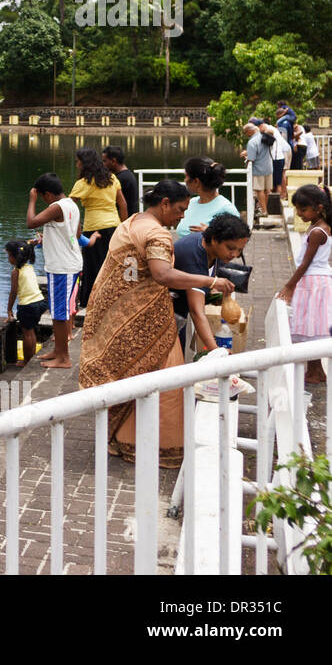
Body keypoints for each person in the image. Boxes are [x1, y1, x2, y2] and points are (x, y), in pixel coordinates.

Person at [78, 180, 235, 467]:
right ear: (164, 203)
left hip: (115, 314)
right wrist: (210, 280)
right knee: (166, 383)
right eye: (179, 209)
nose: (182, 217)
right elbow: (163, 275)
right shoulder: (157, 235)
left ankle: (117, 441)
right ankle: (151, 448)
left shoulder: (133, 221)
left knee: (126, 377)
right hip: (142, 320)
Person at [171, 213, 251, 354]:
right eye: (230, 248)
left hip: (178, 315)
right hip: (167, 317)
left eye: (239, 250)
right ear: (214, 240)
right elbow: (196, 311)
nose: (234, 254)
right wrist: (216, 351)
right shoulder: (194, 256)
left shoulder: (214, 250)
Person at [26, 173, 83, 369]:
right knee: (59, 311)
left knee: (59, 313)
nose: (42, 200)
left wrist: (32, 200)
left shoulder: (56, 207)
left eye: (41, 196)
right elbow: (76, 232)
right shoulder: (71, 204)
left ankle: (64, 358)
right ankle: (58, 351)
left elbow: (31, 222)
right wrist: (50, 238)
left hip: (62, 267)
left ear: (48, 194)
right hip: (65, 264)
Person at [278, 184, 332, 385]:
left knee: (312, 325)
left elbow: (305, 263)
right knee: (311, 324)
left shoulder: (318, 231)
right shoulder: (318, 225)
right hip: (313, 279)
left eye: (303, 209)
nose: (299, 214)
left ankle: (315, 371)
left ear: (318, 207)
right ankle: (314, 370)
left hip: (313, 280)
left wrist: (290, 285)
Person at [71, 147, 129, 310]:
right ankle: (112, 300)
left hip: (94, 229)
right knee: (111, 266)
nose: (77, 165)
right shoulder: (112, 178)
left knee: (92, 268)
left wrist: (73, 229)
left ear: (84, 164)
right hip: (113, 227)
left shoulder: (83, 183)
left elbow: (68, 207)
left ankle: (92, 302)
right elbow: (122, 204)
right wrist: (124, 228)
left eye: (78, 162)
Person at [5, 240, 47, 366]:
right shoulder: (29, 267)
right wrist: (32, 244)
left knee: (27, 334)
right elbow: (27, 247)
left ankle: (26, 361)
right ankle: (31, 357)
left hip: (28, 306)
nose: (8, 259)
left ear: (15, 257)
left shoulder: (16, 272)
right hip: (40, 302)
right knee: (31, 331)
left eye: (9, 256)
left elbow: (13, 292)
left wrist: (9, 309)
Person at [177, 156, 239, 237]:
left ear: (196, 181)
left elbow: (239, 239)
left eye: (186, 176)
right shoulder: (191, 203)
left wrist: (212, 234)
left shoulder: (226, 208)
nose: (184, 180)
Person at [242, 123, 274, 221]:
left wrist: (245, 158)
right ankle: (263, 209)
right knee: (267, 190)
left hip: (258, 169)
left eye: (245, 133)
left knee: (259, 190)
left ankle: (264, 211)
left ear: (249, 131)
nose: (246, 135)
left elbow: (251, 158)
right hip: (268, 167)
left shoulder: (252, 142)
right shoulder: (265, 137)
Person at [102, 145, 138, 221]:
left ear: (113, 161)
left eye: (105, 161)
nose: (103, 165)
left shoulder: (121, 179)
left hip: (125, 221)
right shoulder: (127, 175)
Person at [266, 122, 291, 200]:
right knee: (278, 180)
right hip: (280, 156)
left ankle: (282, 195)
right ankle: (281, 196)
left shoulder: (269, 131)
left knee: (279, 180)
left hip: (279, 156)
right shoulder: (274, 132)